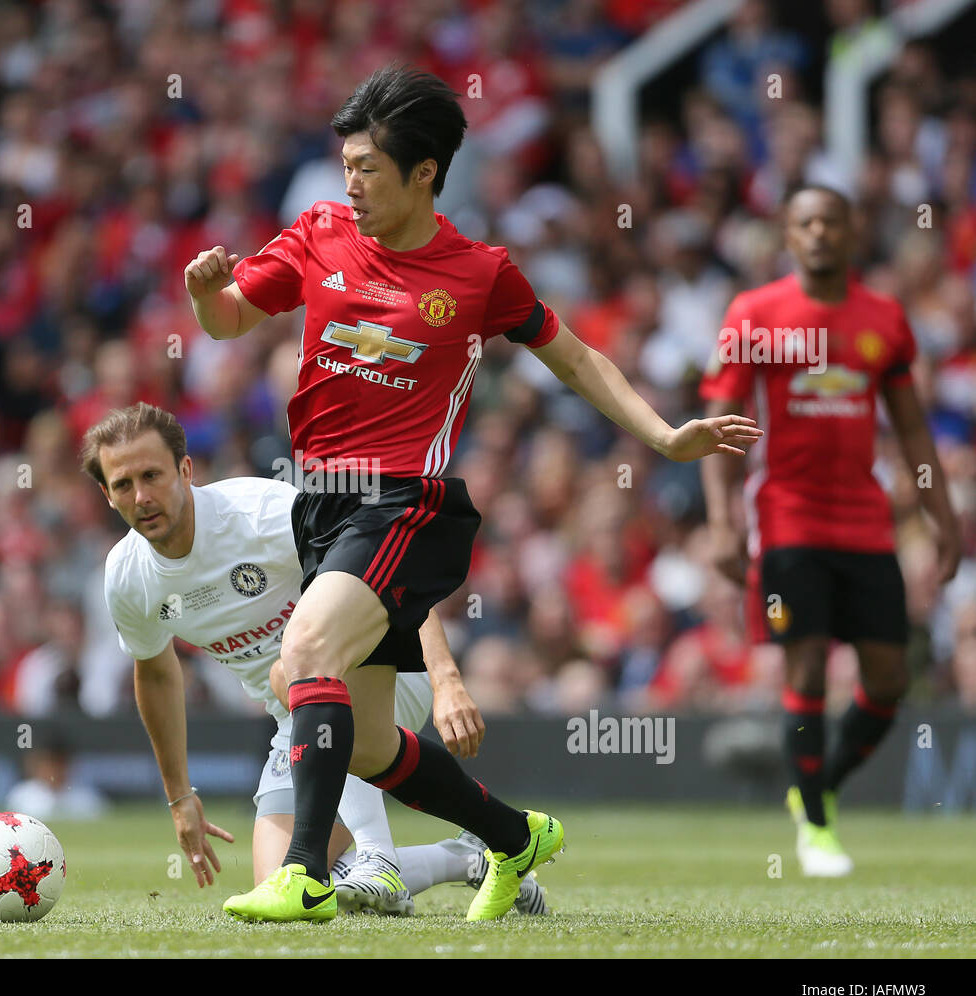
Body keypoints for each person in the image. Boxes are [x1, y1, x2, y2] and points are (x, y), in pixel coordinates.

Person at [185, 64, 760, 922]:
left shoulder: (479, 272)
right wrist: (204, 293)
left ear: (424, 174)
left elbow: (575, 357)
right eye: (346, 164)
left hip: (404, 502)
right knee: (374, 743)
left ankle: (305, 874)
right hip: (321, 503)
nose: (351, 181)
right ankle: (514, 835)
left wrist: (663, 436)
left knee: (300, 655)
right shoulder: (318, 231)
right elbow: (230, 317)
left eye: (368, 167)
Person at [85, 403, 546, 917]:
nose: (142, 496)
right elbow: (154, 670)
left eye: (152, 475)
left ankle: (377, 855)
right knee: (280, 879)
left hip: (381, 673)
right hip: (297, 714)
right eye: (123, 485)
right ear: (106, 495)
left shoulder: (261, 514)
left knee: (293, 667)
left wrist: (447, 680)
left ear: (186, 470)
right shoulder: (127, 576)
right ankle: (470, 857)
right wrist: (179, 796)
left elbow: (390, 570)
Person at [701, 183, 961, 876]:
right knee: (807, 663)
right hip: (787, 518)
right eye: (805, 222)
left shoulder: (884, 318)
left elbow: (910, 427)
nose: (819, 233)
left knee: (888, 679)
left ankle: (814, 787)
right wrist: (725, 523)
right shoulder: (755, 314)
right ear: (788, 235)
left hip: (866, 521)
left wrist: (943, 515)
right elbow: (720, 423)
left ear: (851, 233)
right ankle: (816, 827)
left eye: (831, 222)